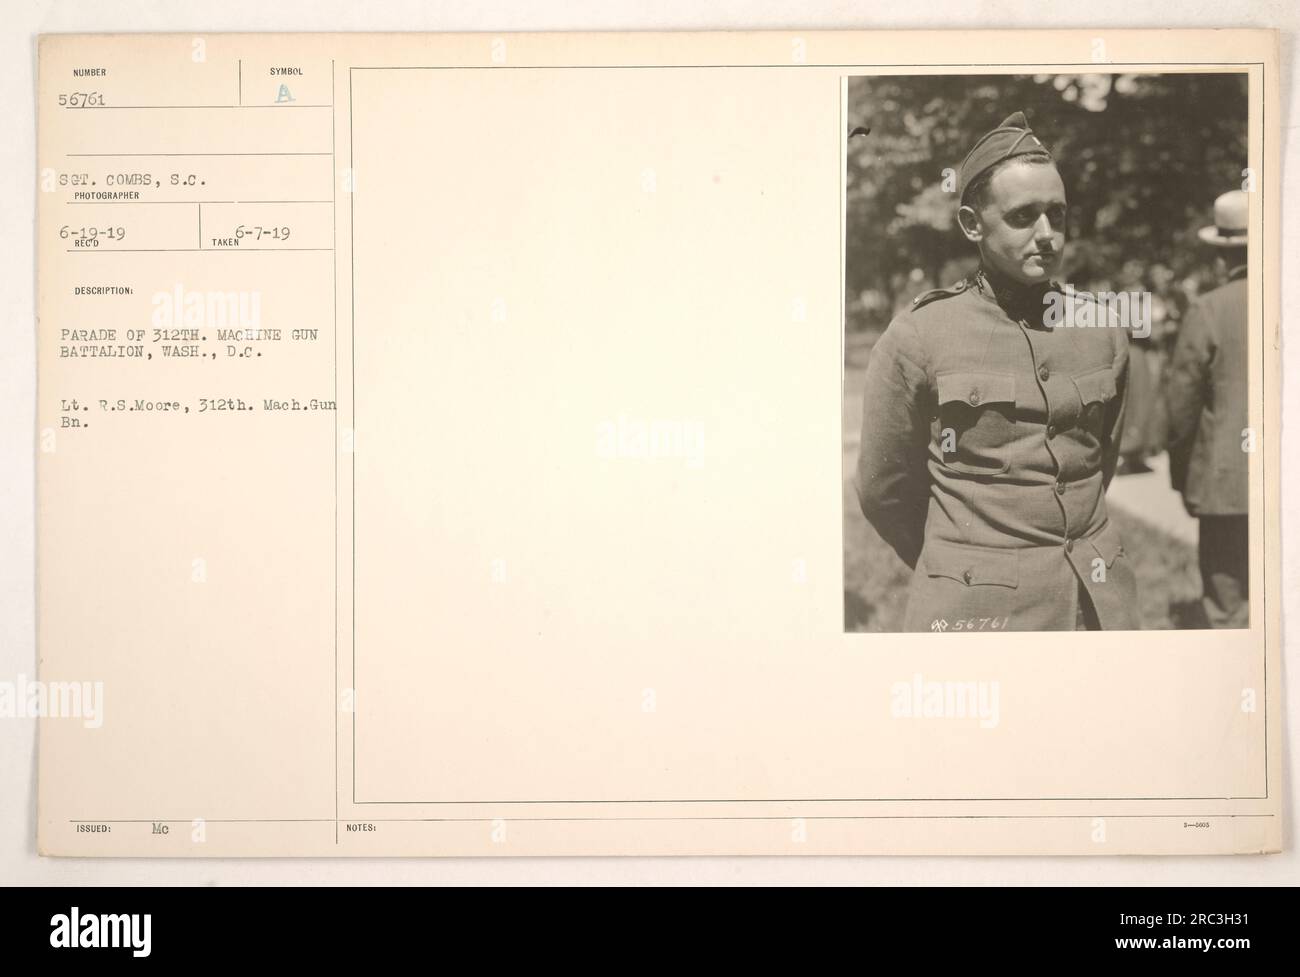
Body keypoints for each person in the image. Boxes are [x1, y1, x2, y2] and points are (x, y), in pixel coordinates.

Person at [854, 111, 1138, 632]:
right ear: (972, 224)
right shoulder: (919, 336)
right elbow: (883, 490)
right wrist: (958, 563)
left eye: (1057, 214)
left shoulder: (1101, 328)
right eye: (1023, 216)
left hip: (1095, 606)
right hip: (979, 612)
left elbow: (1100, 462)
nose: (1047, 234)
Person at [1165, 190, 1250, 628]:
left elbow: (1182, 409)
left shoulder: (1208, 310)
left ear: (1222, 254)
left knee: (1228, 609)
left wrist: (1183, 477)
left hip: (1226, 485)